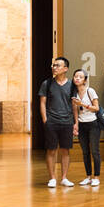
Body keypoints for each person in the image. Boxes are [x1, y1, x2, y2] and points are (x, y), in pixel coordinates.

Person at [38, 56, 78, 188]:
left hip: (67, 122)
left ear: (65, 69)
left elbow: (74, 105)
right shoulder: (47, 83)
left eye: (57, 65)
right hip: (52, 121)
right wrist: (45, 120)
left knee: (65, 150)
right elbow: (42, 103)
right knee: (51, 150)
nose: (54, 68)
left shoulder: (72, 85)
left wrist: (76, 122)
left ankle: (64, 178)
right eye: (53, 65)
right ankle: (52, 178)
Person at [72, 69, 101, 187]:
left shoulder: (90, 91)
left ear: (85, 80)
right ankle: (88, 177)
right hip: (81, 124)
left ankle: (96, 177)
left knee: (95, 151)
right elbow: (75, 110)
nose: (77, 78)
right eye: (75, 76)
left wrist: (82, 104)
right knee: (85, 152)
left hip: (93, 123)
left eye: (80, 77)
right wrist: (76, 124)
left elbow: (96, 108)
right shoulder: (74, 93)